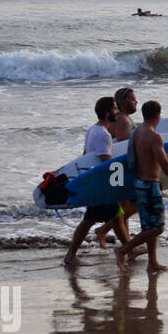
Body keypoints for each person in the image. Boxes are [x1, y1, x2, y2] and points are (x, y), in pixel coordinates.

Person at [114, 100, 168, 273]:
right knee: (156, 228)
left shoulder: (138, 132)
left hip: (140, 184)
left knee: (148, 227)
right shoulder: (154, 136)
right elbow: (164, 163)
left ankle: (152, 262)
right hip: (149, 186)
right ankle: (122, 250)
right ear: (158, 115)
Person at [62, 97, 130, 268]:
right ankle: (70, 255)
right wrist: (120, 187)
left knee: (117, 215)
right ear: (108, 113)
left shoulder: (93, 129)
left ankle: (129, 248)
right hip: (101, 186)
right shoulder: (103, 135)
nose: (118, 111)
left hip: (95, 183)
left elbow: (84, 156)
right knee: (89, 220)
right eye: (115, 108)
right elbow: (108, 165)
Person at [93, 87, 138, 247]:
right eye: (133, 99)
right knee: (137, 202)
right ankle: (104, 230)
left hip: (113, 170)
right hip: (118, 169)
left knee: (123, 206)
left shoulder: (122, 118)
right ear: (125, 102)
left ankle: (126, 242)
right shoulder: (122, 120)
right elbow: (123, 148)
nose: (136, 102)